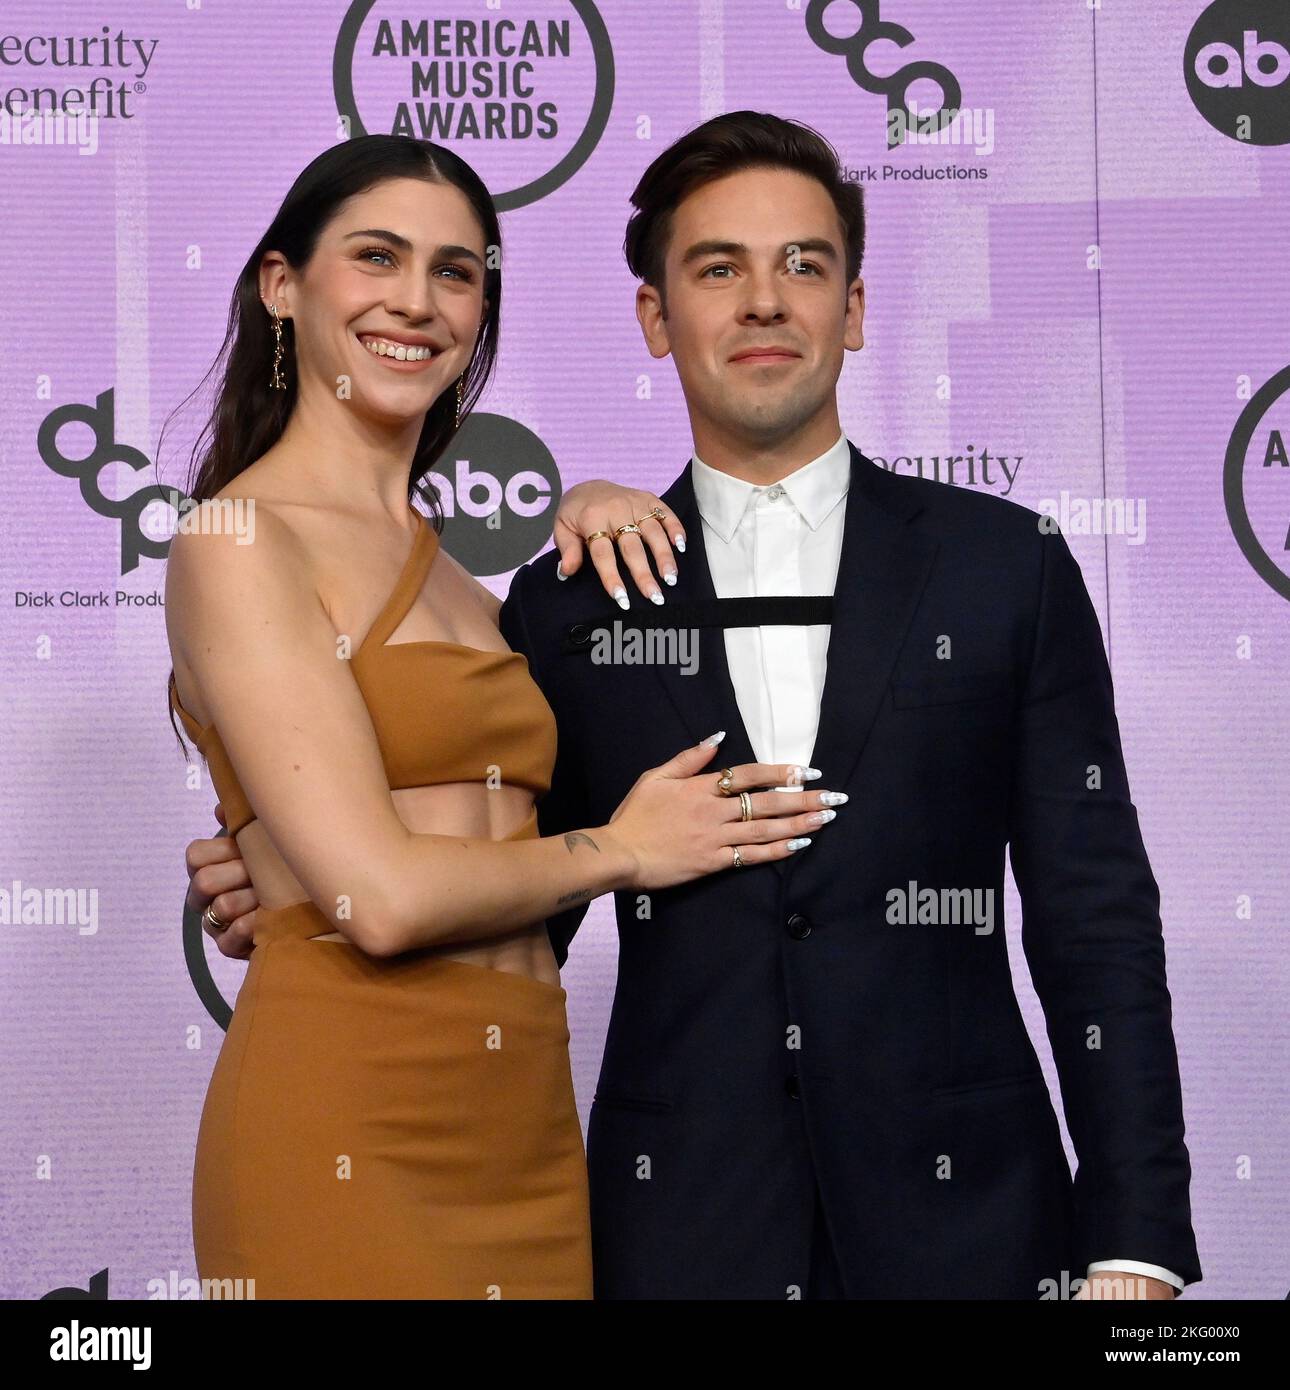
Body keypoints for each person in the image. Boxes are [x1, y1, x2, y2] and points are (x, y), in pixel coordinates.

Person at [186, 112, 1202, 1301]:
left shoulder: (1006, 565)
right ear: (656, 320)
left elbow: (1096, 918)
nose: (765, 302)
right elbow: (490, 860)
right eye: (719, 267)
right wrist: (291, 866)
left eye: (804, 265)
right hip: (672, 1229)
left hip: (971, 1221)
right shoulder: (565, 604)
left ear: (857, 310)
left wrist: (1135, 1234)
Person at [165, 133, 841, 1299]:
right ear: (283, 284)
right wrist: (623, 851)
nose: (416, 302)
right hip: (348, 1111)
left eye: (457, 271)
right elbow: (376, 897)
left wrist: (593, 504)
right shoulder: (237, 538)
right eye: (376, 257)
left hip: (520, 1119)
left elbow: (485, 802)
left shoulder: (468, 578)